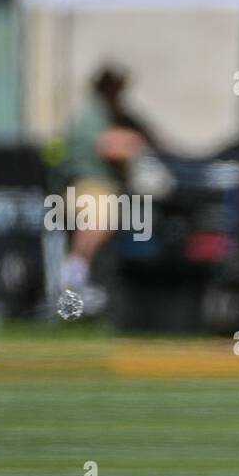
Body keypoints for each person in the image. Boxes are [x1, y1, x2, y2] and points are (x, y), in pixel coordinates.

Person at [59, 63, 159, 312]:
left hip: (110, 186)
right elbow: (108, 146)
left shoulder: (114, 113)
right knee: (100, 219)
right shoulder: (93, 114)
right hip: (89, 184)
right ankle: (73, 273)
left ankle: (88, 281)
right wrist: (134, 142)